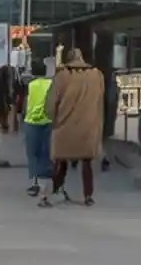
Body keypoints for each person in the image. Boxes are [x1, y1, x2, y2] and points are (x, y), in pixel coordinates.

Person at [43, 48, 104, 207]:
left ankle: (56, 190)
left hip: (64, 127)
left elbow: (51, 102)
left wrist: (51, 119)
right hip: (88, 127)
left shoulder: (62, 76)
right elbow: (100, 100)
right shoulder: (96, 75)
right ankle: (88, 196)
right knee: (87, 163)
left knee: (61, 162)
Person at [23, 61, 53, 200]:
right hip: (47, 121)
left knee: (32, 154)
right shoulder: (50, 84)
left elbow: (26, 104)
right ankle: (46, 184)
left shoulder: (30, 85)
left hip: (32, 122)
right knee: (45, 153)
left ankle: (35, 182)